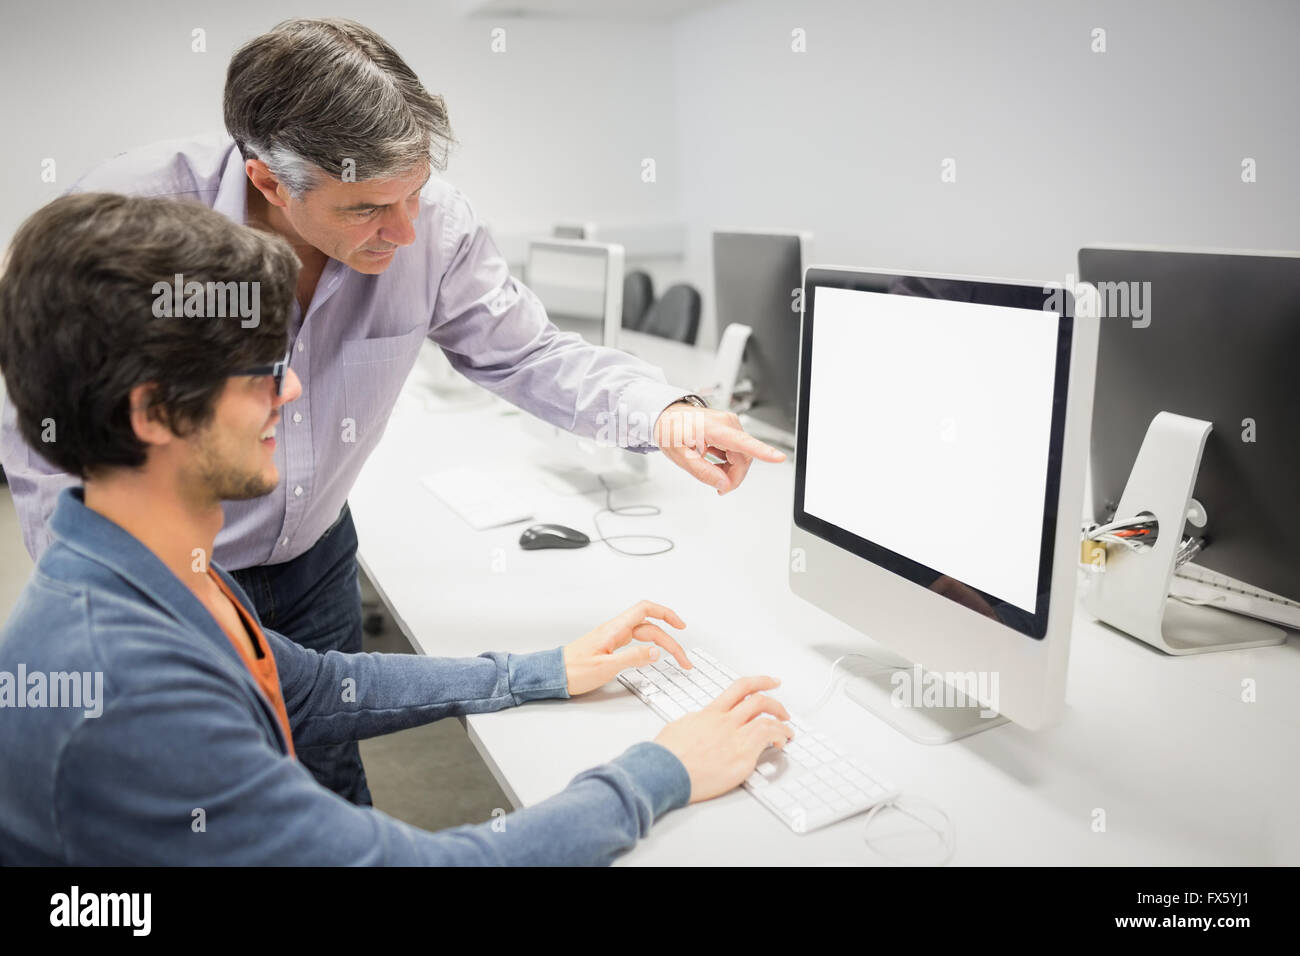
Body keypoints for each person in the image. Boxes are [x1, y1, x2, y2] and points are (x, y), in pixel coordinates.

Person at [0, 17, 786, 805]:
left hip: (313, 553)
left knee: (329, 778)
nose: (406, 231)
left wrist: (661, 411)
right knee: (200, 800)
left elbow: (529, 352)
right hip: (177, 571)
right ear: (271, 182)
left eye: (415, 194)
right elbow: (49, 424)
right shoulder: (140, 219)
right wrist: (103, 595)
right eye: (371, 208)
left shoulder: (427, 222)